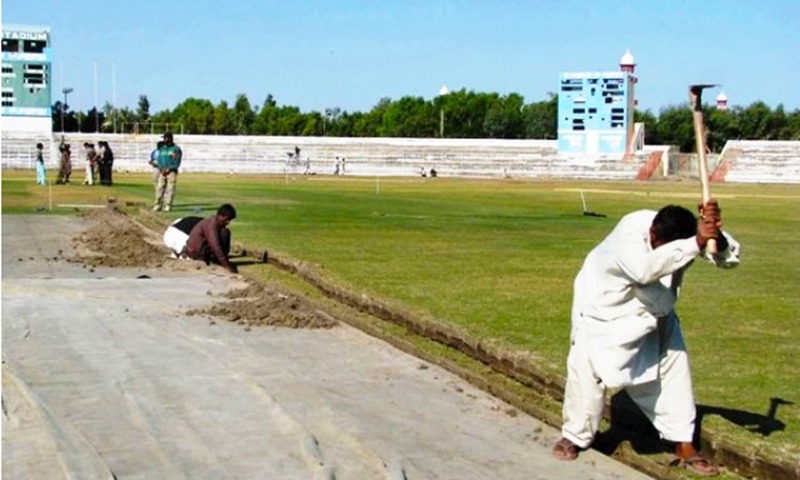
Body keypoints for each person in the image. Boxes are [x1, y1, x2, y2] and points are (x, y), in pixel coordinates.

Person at [552, 200, 740, 477]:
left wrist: (714, 234)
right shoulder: (630, 231)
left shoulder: (684, 233)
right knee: (586, 373)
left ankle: (683, 442)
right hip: (604, 309)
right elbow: (644, 270)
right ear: (652, 233)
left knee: (674, 370)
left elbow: (725, 256)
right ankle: (575, 435)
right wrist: (697, 242)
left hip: (658, 309)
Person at [184, 204, 238, 274]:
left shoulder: (217, 223)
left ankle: (219, 260)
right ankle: (218, 261)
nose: (228, 222)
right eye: (227, 219)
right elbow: (215, 245)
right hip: (195, 253)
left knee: (225, 232)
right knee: (223, 234)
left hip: (201, 250)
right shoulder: (211, 225)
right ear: (221, 216)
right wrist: (226, 265)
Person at [153, 132, 183, 212]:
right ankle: (158, 204)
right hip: (162, 171)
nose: (164, 140)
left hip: (171, 172)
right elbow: (159, 160)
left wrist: (170, 168)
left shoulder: (176, 149)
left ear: (170, 138)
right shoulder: (162, 148)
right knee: (159, 188)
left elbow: (177, 161)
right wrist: (161, 168)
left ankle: (168, 205)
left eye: (165, 138)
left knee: (170, 188)